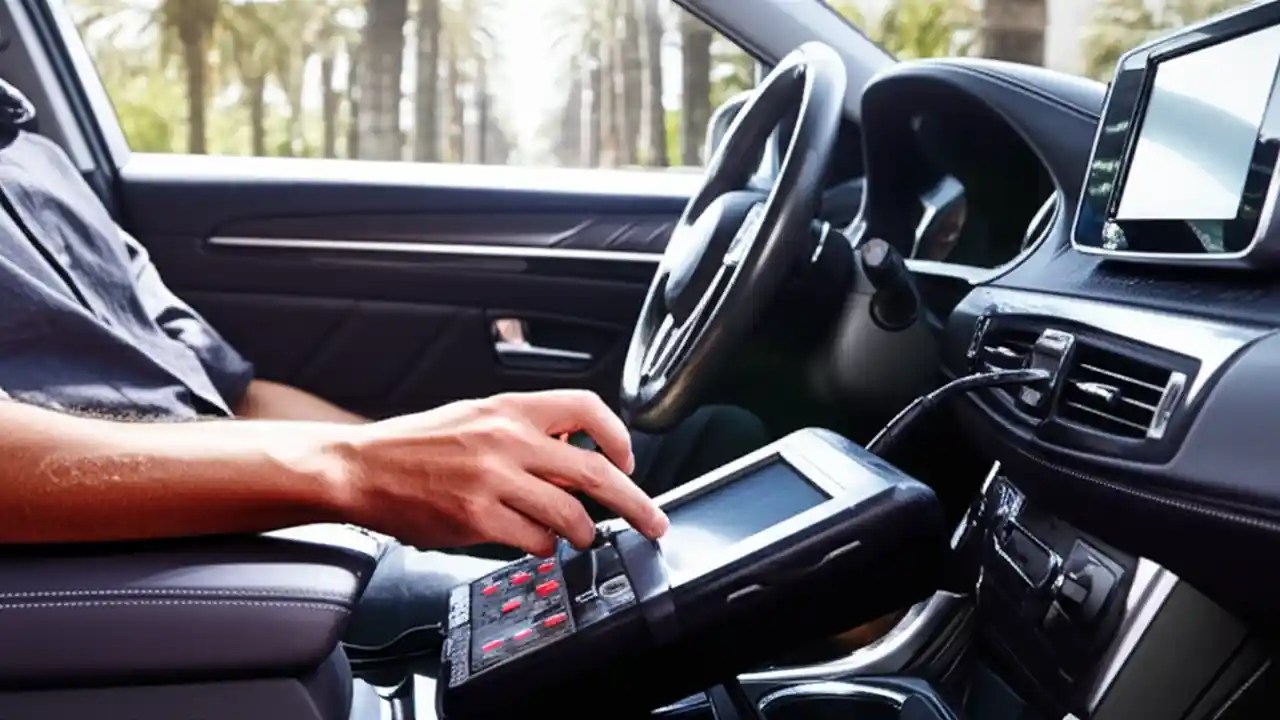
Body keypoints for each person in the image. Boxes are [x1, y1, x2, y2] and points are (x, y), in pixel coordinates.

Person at [0, 80, 769, 656]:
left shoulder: (32, 155)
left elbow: (230, 393)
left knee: (716, 442)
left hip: (258, 499)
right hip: (163, 573)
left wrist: (424, 458)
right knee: (656, 619)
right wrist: (361, 473)